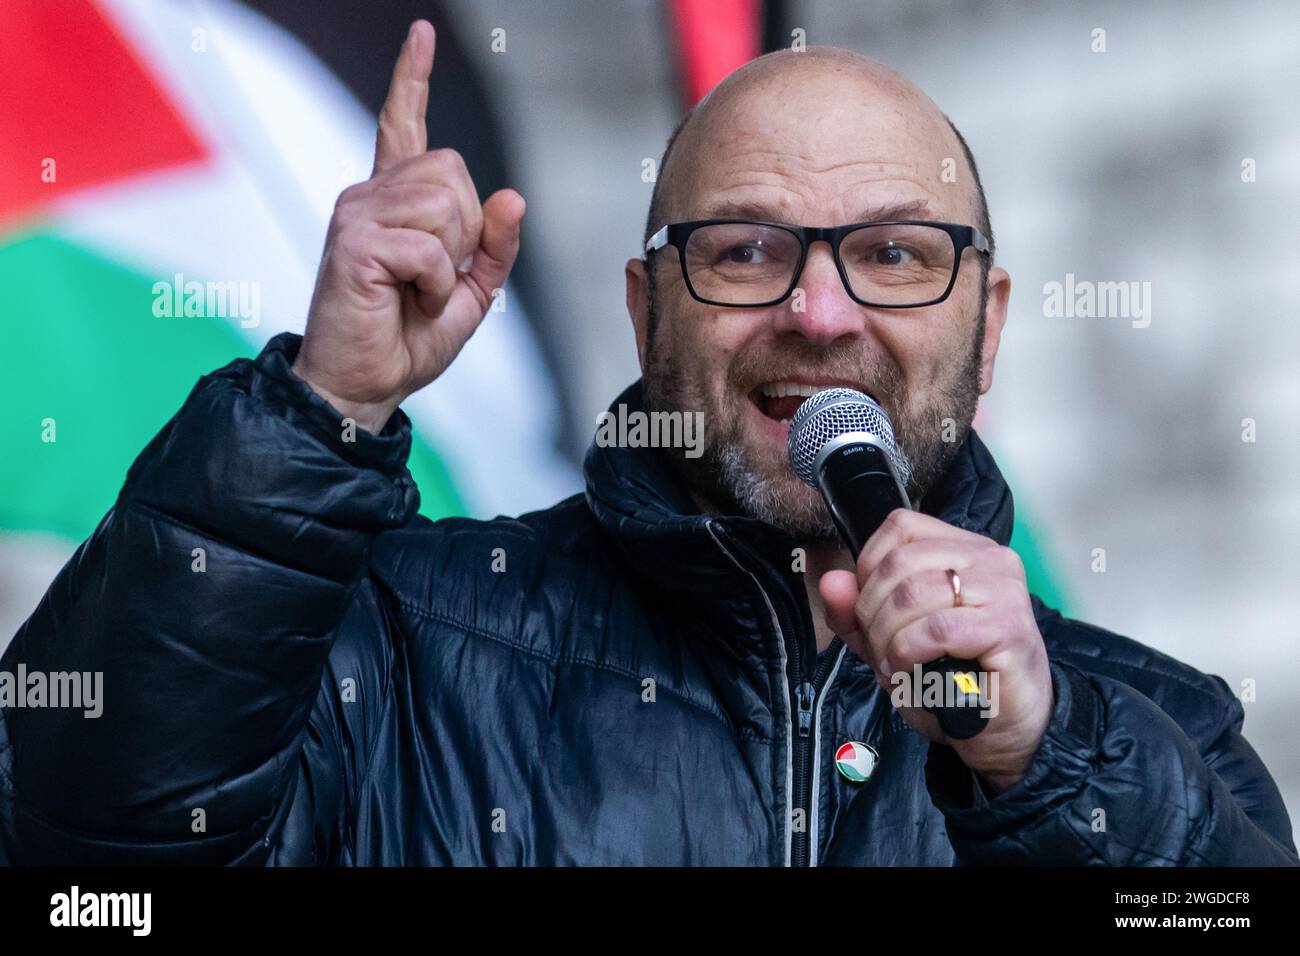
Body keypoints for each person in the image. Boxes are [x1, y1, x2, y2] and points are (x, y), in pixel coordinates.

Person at [1, 20, 1294, 866]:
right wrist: (319, 404)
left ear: (988, 322)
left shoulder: (1158, 725)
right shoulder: (395, 650)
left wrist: (1044, 764)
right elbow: (86, 859)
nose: (820, 312)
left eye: (895, 254)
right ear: (643, 308)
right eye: (746, 251)